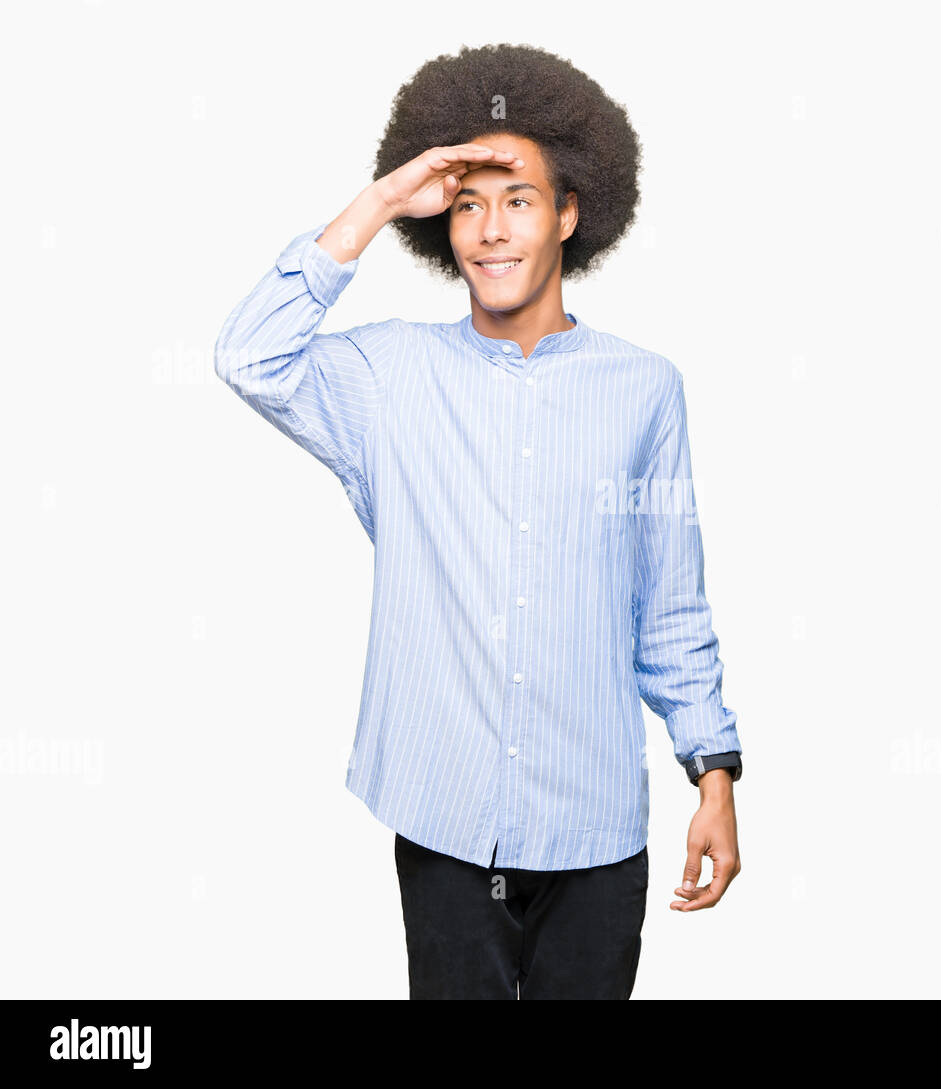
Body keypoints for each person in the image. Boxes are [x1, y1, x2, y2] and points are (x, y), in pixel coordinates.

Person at [213, 43, 742, 1000]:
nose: (491, 231)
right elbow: (250, 357)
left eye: (519, 200)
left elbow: (669, 603)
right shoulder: (388, 381)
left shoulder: (645, 391)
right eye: (468, 203)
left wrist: (713, 771)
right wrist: (377, 202)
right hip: (445, 821)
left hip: (596, 832)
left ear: (571, 212)